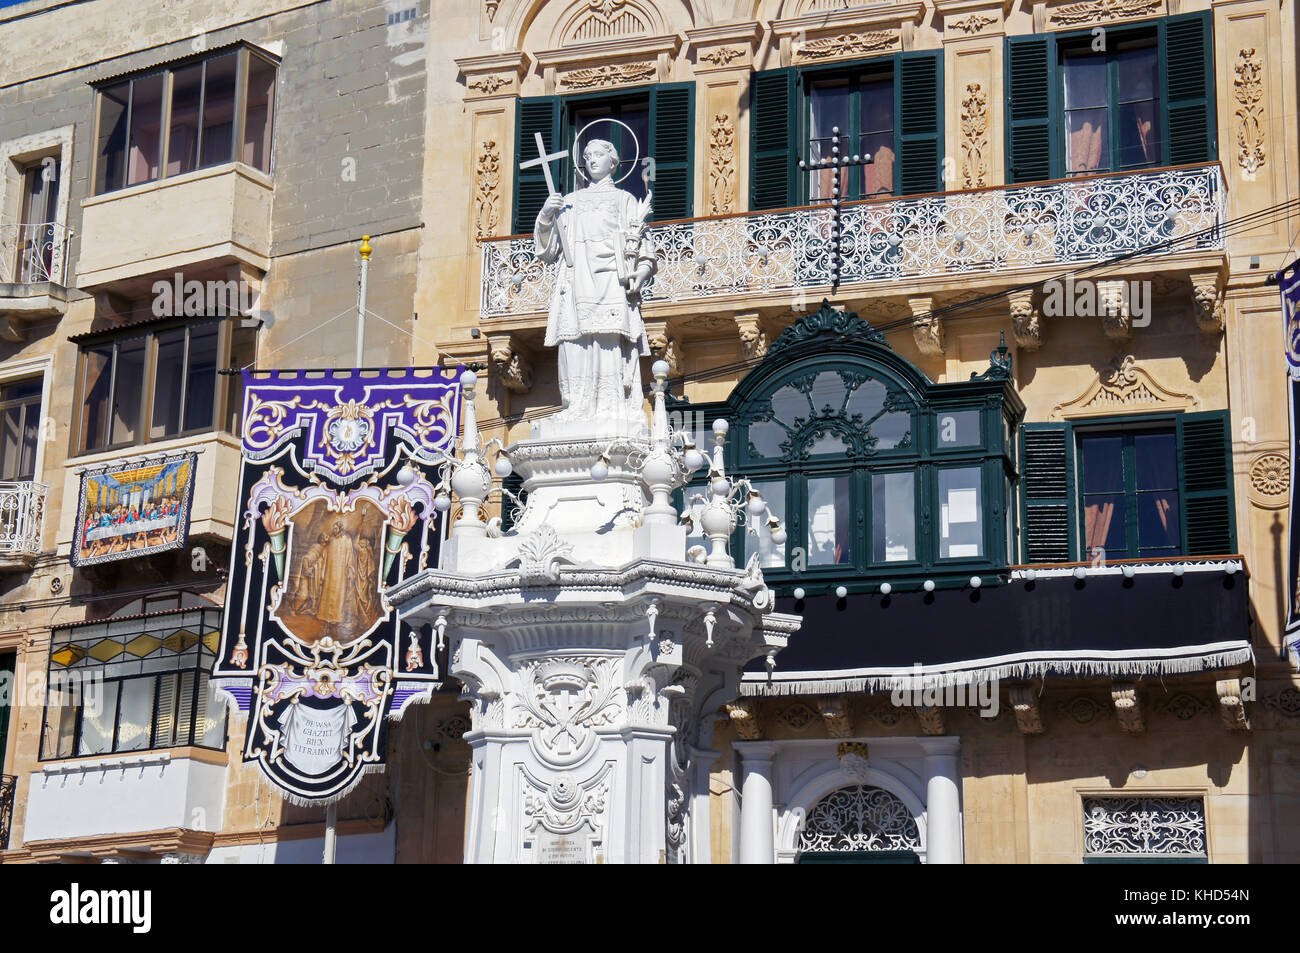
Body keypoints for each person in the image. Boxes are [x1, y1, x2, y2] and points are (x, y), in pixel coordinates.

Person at [534, 137, 656, 436]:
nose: (591, 160)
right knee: (574, 341)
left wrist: (641, 272)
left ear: (612, 161)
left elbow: (641, 241)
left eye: (598, 155)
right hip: (576, 280)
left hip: (611, 279)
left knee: (608, 341)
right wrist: (547, 215)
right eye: (587, 155)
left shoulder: (624, 199)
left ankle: (610, 406)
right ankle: (576, 405)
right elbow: (549, 252)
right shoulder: (570, 202)